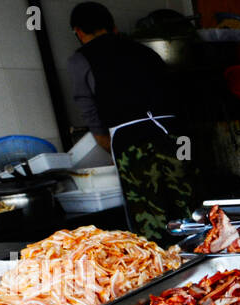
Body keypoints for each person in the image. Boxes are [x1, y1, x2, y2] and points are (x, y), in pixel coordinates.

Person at [67, 1, 197, 241]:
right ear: (113, 26)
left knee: (149, 213)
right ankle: (201, 256)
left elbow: (87, 106)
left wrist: (103, 140)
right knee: (186, 205)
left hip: (133, 143)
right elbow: (174, 92)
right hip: (173, 135)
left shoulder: (81, 59)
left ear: (78, 31)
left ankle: (165, 267)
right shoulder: (145, 51)